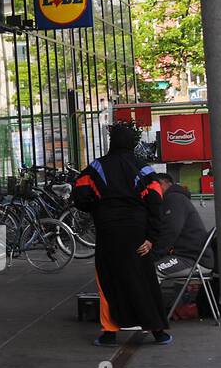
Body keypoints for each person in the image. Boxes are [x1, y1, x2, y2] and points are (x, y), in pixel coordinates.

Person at [73, 121, 171, 346]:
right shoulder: (143, 168)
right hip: (137, 232)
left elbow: (80, 194)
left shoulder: (97, 166)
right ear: (132, 144)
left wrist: (97, 208)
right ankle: (158, 332)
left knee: (108, 280)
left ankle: (109, 333)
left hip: (109, 232)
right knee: (143, 280)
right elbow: (156, 202)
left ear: (112, 142)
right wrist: (151, 238)